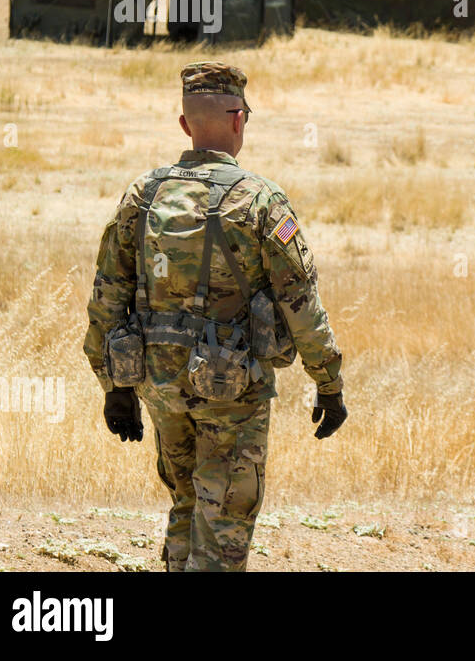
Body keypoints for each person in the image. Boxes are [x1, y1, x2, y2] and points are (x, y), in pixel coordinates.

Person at [84, 61, 347, 571]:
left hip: (159, 388)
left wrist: (113, 388)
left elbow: (105, 300)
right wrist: (328, 382)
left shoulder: (143, 195)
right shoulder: (259, 200)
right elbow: (301, 305)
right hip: (232, 391)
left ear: (185, 125)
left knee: (185, 503)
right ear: (237, 119)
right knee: (224, 519)